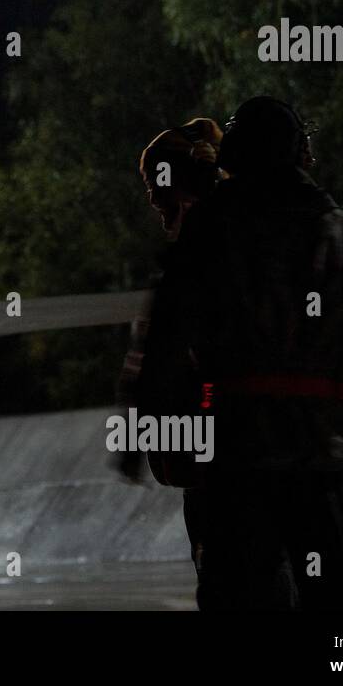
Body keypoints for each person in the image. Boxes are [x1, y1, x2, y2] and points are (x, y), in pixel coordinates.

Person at [134, 97, 343, 610]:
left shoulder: (209, 231)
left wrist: (137, 437)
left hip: (234, 461)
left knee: (240, 594)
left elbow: (166, 339)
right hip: (321, 457)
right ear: (300, 153)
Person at [115, 117, 223, 569]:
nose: (151, 198)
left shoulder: (196, 257)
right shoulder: (258, 238)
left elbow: (156, 354)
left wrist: (129, 445)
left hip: (220, 462)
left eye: (153, 184)